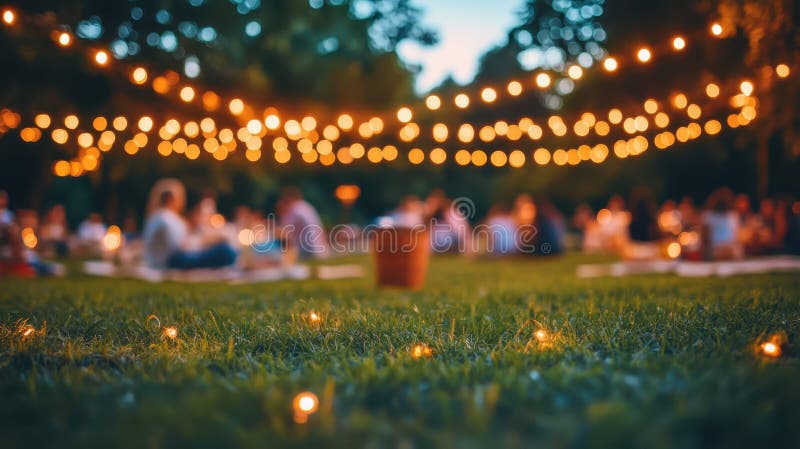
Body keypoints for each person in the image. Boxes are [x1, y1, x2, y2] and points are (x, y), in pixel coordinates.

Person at [142, 187, 237, 270]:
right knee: (227, 250)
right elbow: (179, 246)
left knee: (225, 249)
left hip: (164, 260)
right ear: (173, 199)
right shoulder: (166, 218)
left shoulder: (156, 217)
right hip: (172, 261)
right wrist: (206, 242)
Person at [277, 187, 328, 258]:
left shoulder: (295, 209)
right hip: (321, 248)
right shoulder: (305, 206)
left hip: (308, 251)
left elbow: (283, 232)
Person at [701, 188, 742, 260]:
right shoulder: (708, 216)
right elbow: (705, 239)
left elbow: (737, 237)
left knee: (736, 250)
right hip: (714, 249)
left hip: (731, 248)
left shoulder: (733, 216)